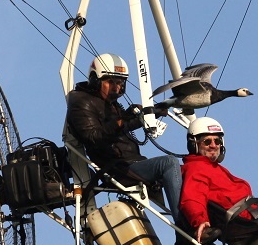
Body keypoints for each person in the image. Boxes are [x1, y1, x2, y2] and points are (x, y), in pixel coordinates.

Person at [64, 53, 182, 218]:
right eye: (110, 82)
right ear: (95, 80)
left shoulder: (111, 105)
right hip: (118, 168)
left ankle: (204, 225)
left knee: (189, 172)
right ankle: (184, 225)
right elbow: (94, 137)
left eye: (119, 83)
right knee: (169, 162)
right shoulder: (81, 102)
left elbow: (124, 126)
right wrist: (122, 120)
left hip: (133, 163)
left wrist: (148, 115)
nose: (116, 88)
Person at [178, 117, 258, 245]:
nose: (214, 145)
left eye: (217, 141)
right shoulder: (197, 168)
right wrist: (200, 222)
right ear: (194, 145)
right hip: (242, 221)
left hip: (249, 216)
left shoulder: (213, 168)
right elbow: (193, 197)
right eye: (207, 141)